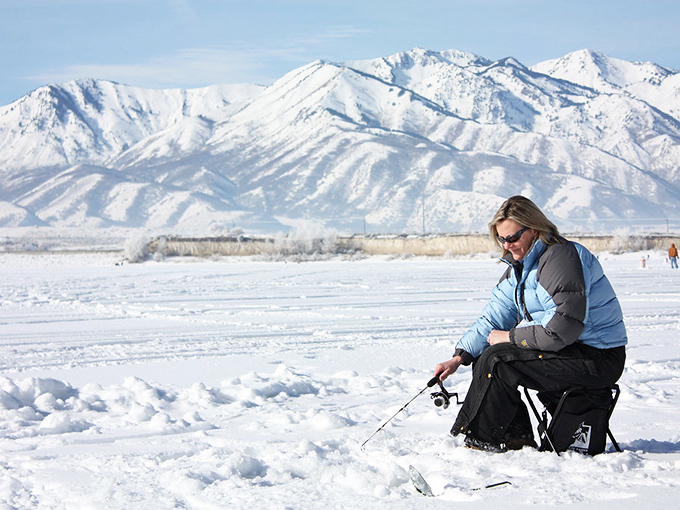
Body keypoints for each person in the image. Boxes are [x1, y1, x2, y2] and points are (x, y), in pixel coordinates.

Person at [434, 196, 627, 452]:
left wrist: (511, 337)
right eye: (501, 239)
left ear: (533, 228)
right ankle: (515, 436)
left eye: (512, 237)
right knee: (486, 357)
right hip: (569, 351)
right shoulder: (522, 266)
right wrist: (459, 357)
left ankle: (479, 442)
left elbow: (563, 327)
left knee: (499, 360)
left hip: (597, 357)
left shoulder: (561, 257)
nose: (507, 245)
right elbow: (494, 318)